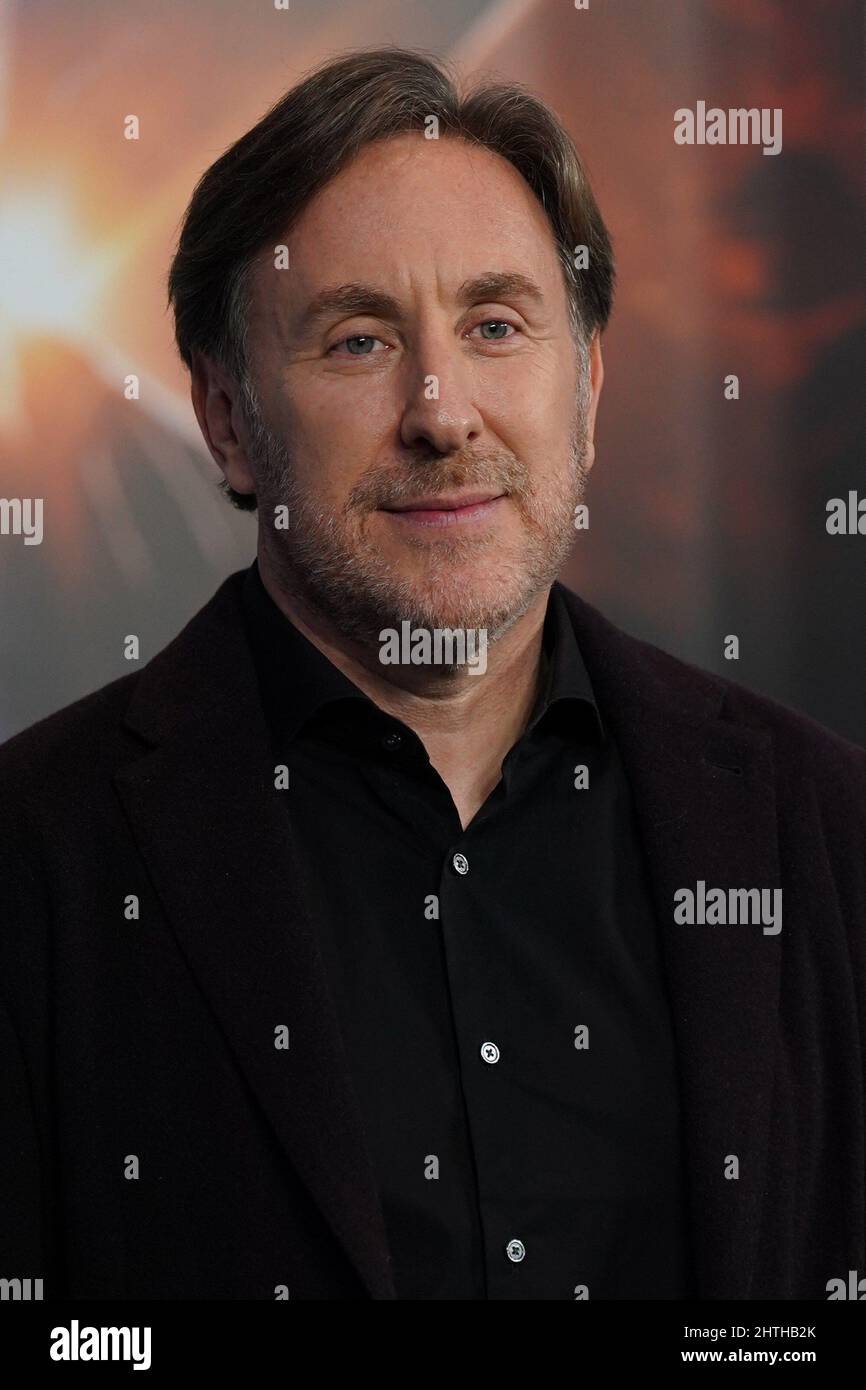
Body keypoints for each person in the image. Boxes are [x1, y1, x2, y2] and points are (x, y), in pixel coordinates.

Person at [1, 47, 864, 1302]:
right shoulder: (34, 860)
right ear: (230, 418)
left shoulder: (823, 832)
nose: (440, 411)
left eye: (496, 326)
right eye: (357, 340)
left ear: (586, 390)